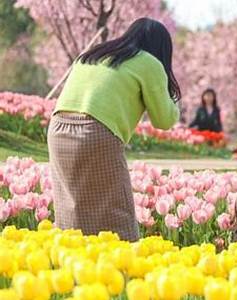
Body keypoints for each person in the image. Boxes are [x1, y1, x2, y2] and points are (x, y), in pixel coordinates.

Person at [48, 18, 181, 241]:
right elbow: (164, 120)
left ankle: (72, 264)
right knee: (116, 209)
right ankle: (122, 266)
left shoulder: (94, 53)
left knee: (73, 210)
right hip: (95, 132)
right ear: (162, 49)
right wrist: (174, 100)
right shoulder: (149, 63)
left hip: (58, 129)